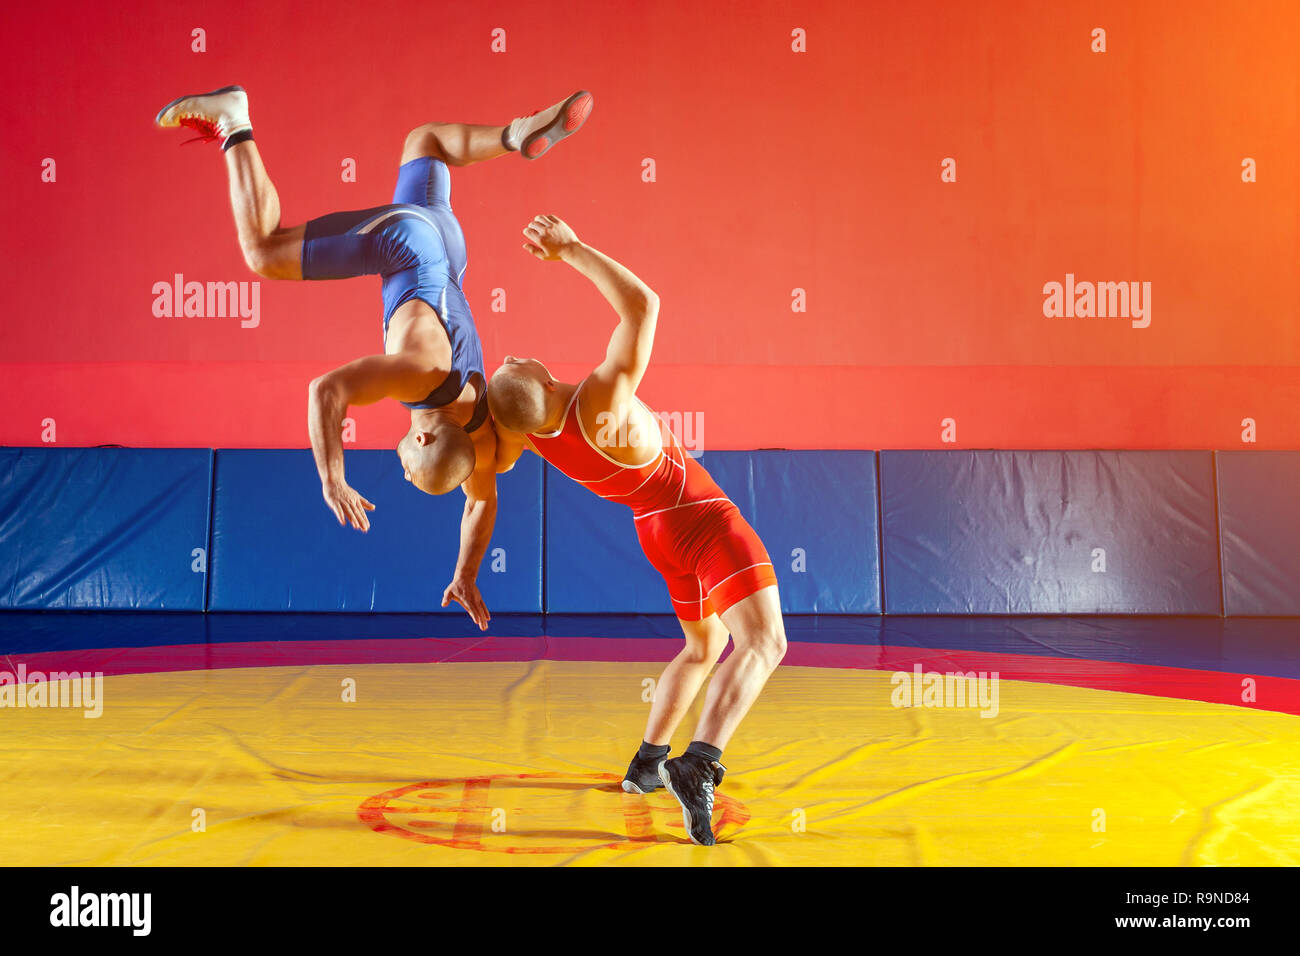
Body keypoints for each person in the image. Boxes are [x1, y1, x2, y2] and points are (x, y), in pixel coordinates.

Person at [155, 86, 593, 627]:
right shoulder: (418, 377)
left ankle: (512, 133)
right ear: (426, 437)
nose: (402, 471)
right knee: (264, 252)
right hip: (407, 243)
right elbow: (326, 391)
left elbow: (481, 503)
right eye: (409, 471)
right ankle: (234, 120)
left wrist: (467, 573)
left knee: (423, 141)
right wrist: (332, 478)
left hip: (451, 250)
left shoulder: (485, 435)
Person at [488, 215, 788, 845]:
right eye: (513, 361)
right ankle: (699, 762)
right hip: (703, 521)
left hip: (656, 534)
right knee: (765, 645)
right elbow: (644, 305)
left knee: (704, 648)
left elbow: (476, 437)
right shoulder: (598, 402)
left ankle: (647, 764)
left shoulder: (529, 438)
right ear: (541, 379)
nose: (511, 352)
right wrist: (571, 251)